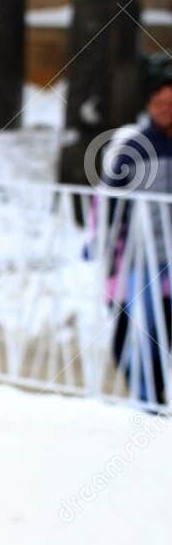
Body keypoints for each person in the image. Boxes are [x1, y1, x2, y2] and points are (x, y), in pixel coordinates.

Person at [100, 78, 172, 406]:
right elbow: (113, 204)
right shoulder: (136, 148)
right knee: (133, 328)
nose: (166, 110)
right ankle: (144, 393)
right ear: (149, 106)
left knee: (163, 327)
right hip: (141, 255)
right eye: (161, 104)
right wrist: (111, 247)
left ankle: (151, 394)